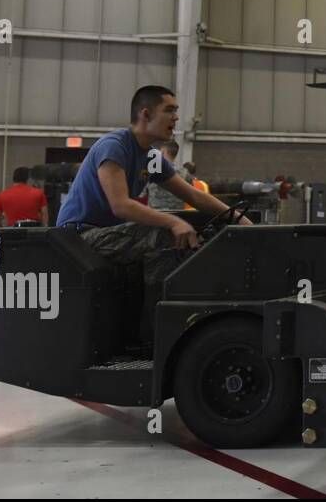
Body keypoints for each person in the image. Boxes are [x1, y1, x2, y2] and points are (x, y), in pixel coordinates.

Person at [56, 85, 250, 338]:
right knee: (166, 233)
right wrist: (173, 222)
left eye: (176, 111)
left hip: (110, 235)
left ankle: (154, 326)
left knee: (182, 233)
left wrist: (243, 222)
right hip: (80, 238)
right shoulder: (114, 146)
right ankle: (157, 333)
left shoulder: (151, 158)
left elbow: (193, 195)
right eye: (169, 110)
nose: (176, 118)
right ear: (146, 114)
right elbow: (121, 205)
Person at [0, 167, 49, 241]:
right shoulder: (38, 193)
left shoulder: (2, 195)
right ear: (26, 178)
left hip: (12, 235)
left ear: (13, 178)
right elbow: (45, 216)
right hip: (33, 235)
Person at [147, 140, 189, 211]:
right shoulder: (185, 172)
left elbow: (140, 191)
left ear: (163, 152)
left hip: (156, 213)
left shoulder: (152, 169)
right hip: (178, 213)